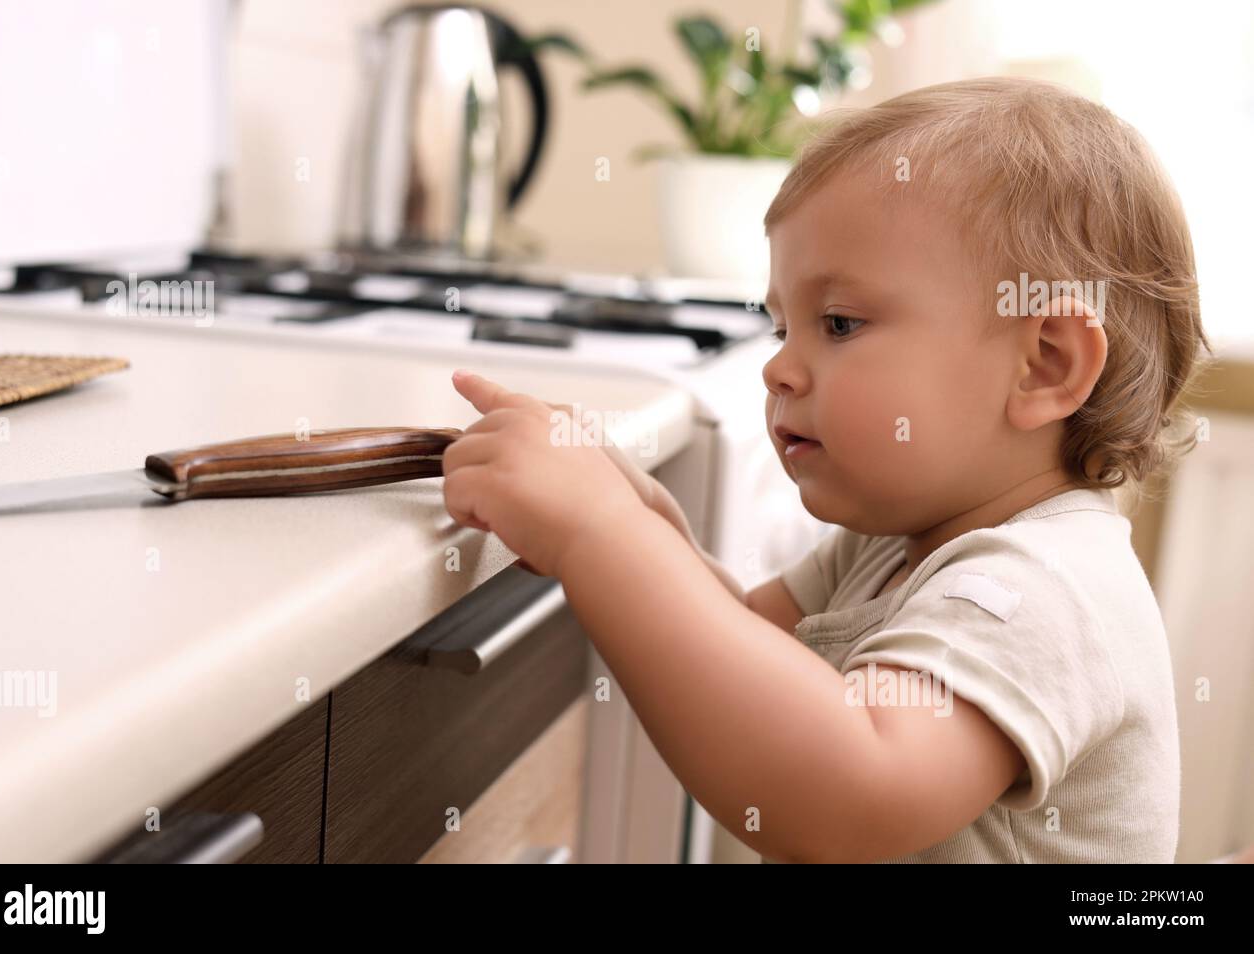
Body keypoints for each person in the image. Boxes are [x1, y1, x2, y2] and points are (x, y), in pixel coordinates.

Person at [441, 77, 1212, 863]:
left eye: (839, 323)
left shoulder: (1046, 593)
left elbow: (849, 799)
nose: (779, 368)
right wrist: (633, 517)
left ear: (1044, 366)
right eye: (783, 327)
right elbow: (741, 640)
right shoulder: (895, 546)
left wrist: (596, 533)